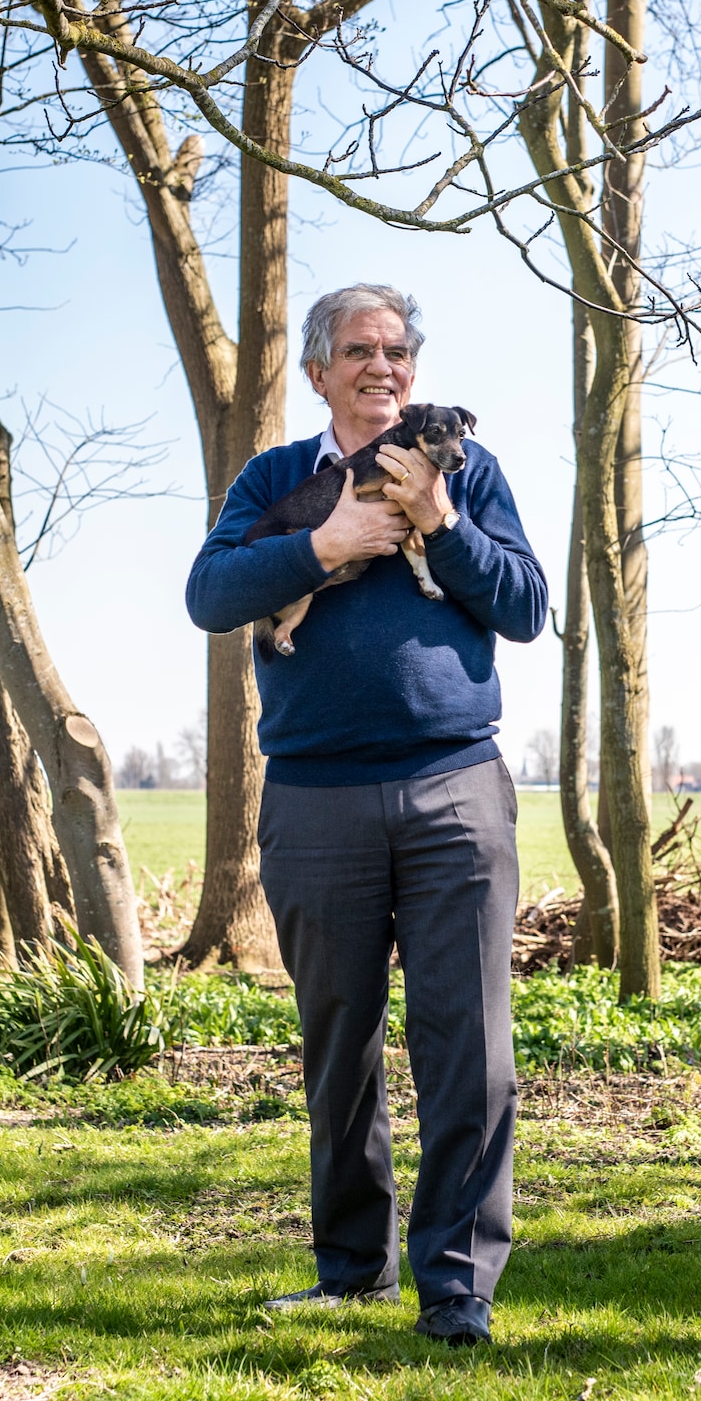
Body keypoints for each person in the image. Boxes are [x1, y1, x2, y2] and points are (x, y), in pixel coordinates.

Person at [184, 284, 547, 1346]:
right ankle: (350, 1273)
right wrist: (322, 545)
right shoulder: (272, 479)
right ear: (317, 372)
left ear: (414, 370)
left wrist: (440, 524)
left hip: (453, 788)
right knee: (338, 1047)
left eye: (396, 351)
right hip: (313, 797)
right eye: (356, 350)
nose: (379, 366)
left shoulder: (468, 474)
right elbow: (210, 596)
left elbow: (525, 607)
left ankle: (456, 1287)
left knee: (468, 1046)